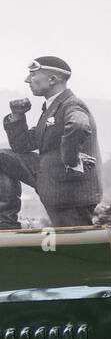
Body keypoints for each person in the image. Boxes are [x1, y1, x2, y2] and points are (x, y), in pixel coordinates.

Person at [1, 56, 102, 228]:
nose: (27, 80)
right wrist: (17, 116)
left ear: (52, 79)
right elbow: (21, 145)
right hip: (49, 176)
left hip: (68, 190)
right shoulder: (53, 108)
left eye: (33, 74)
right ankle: (6, 224)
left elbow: (78, 125)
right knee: (2, 157)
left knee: (74, 240)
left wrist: (71, 160)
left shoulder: (72, 105)